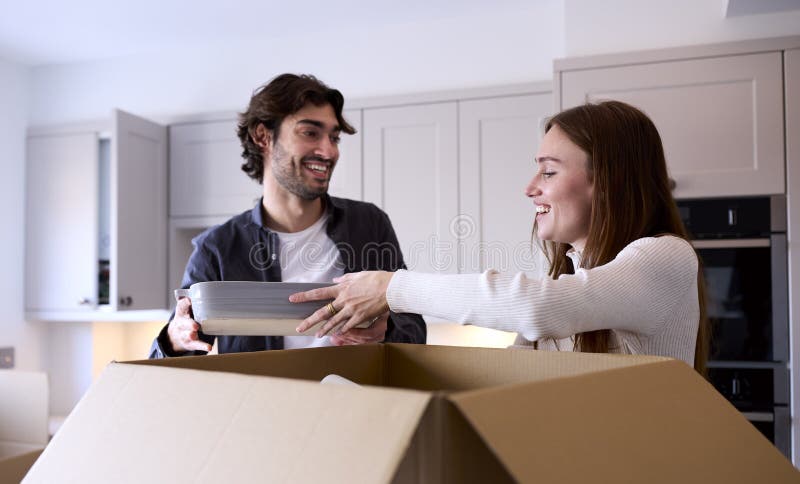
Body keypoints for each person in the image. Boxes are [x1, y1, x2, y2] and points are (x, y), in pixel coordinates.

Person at [292, 100, 709, 373]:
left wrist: (391, 288)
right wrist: (381, 341)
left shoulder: (666, 258)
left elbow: (534, 305)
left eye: (548, 171)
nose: (530, 188)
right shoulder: (570, 290)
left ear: (609, 181)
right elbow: (500, 379)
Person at [149, 73, 426, 358]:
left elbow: (415, 330)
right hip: (264, 402)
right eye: (310, 133)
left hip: (357, 399)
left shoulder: (369, 224)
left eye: (334, 137)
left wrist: (386, 331)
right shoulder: (217, 248)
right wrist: (176, 338)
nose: (329, 151)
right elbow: (167, 364)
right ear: (262, 136)